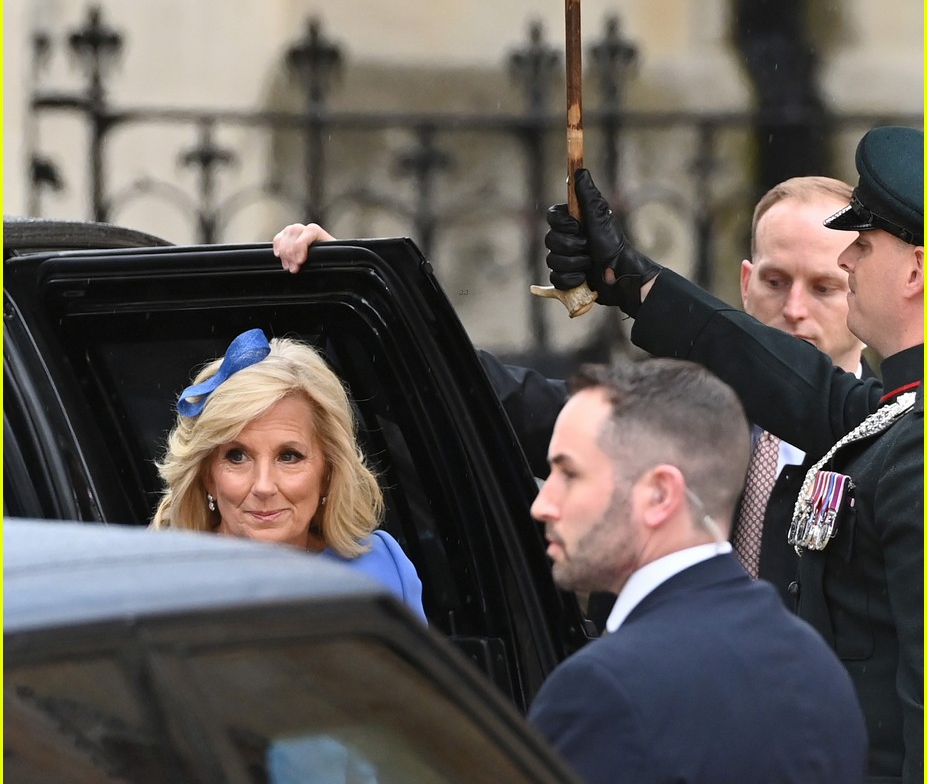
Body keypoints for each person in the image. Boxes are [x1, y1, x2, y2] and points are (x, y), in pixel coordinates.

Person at [543, 125, 923, 784]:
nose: (845, 261)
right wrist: (632, 281)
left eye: (863, 246)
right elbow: (802, 390)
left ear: (914, 267)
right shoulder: (894, 416)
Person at [272, 175, 868, 603]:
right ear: (745, 282)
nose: (793, 309)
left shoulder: (887, 439)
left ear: (861, 288)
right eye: (775, 280)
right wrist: (363, 303)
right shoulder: (671, 412)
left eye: (823, 287)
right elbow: (495, 401)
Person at [527, 358, 867, 784]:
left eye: (569, 473)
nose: (543, 503)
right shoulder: (815, 663)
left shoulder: (603, 689)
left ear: (660, 494)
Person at [154, 327, 426, 622]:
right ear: (208, 475)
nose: (263, 486)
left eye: (289, 456)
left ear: (328, 471)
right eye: (237, 456)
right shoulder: (168, 590)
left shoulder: (382, 568)